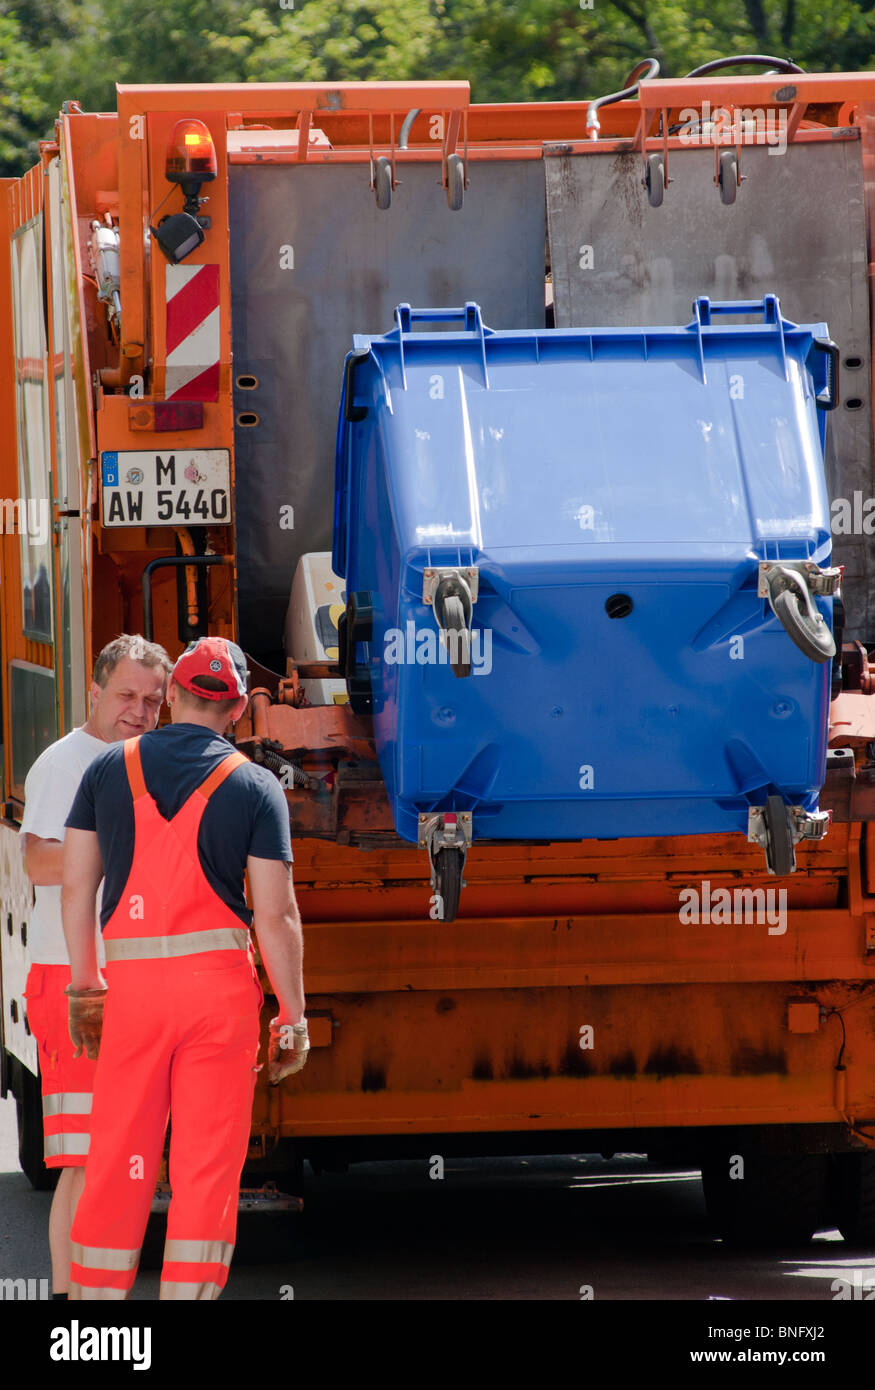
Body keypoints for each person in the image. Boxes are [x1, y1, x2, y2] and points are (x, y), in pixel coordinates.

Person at [62, 636, 308, 1300]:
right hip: (217, 1004)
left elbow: (77, 889)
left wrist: (85, 986)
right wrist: (292, 1016)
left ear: (170, 696)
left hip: (133, 1001)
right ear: (234, 711)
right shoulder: (256, 789)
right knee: (205, 1167)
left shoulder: (107, 772)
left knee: (117, 1161)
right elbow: (276, 916)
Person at [20, 634, 172, 1299]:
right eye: (125, 696)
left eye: (152, 700)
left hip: (126, 980)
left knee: (113, 1158)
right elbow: (39, 861)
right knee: (85, 1159)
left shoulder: (141, 764)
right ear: (94, 692)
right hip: (73, 980)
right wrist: (120, 850)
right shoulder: (67, 763)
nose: (138, 711)